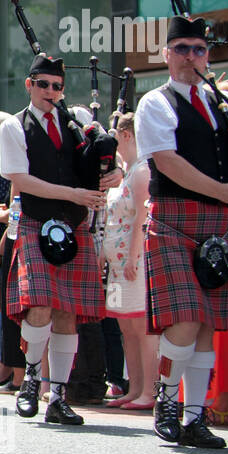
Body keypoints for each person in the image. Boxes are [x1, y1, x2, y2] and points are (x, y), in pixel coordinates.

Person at [134, 15, 228, 449]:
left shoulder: (220, 102)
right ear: (167, 55)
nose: (191, 56)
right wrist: (222, 190)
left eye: (199, 49)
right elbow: (166, 161)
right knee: (186, 317)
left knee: (208, 324)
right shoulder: (156, 102)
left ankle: (194, 417)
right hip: (175, 218)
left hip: (218, 223)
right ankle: (166, 403)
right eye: (182, 48)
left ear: (208, 55)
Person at [0, 54, 120, 426]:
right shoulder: (13, 127)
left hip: (75, 224)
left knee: (68, 312)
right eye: (43, 84)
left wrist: (111, 173)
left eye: (57, 86)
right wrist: (73, 195)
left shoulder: (79, 122)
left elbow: (99, 164)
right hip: (38, 221)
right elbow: (20, 177)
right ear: (29, 84)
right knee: (39, 306)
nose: (50, 91)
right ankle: (31, 379)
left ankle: (60, 395)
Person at [102, 112, 157, 409]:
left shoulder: (141, 171)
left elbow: (141, 219)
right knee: (125, 325)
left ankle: (148, 389)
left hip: (132, 260)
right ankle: (135, 388)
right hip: (117, 263)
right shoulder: (128, 170)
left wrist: (134, 256)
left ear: (126, 134)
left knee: (141, 326)